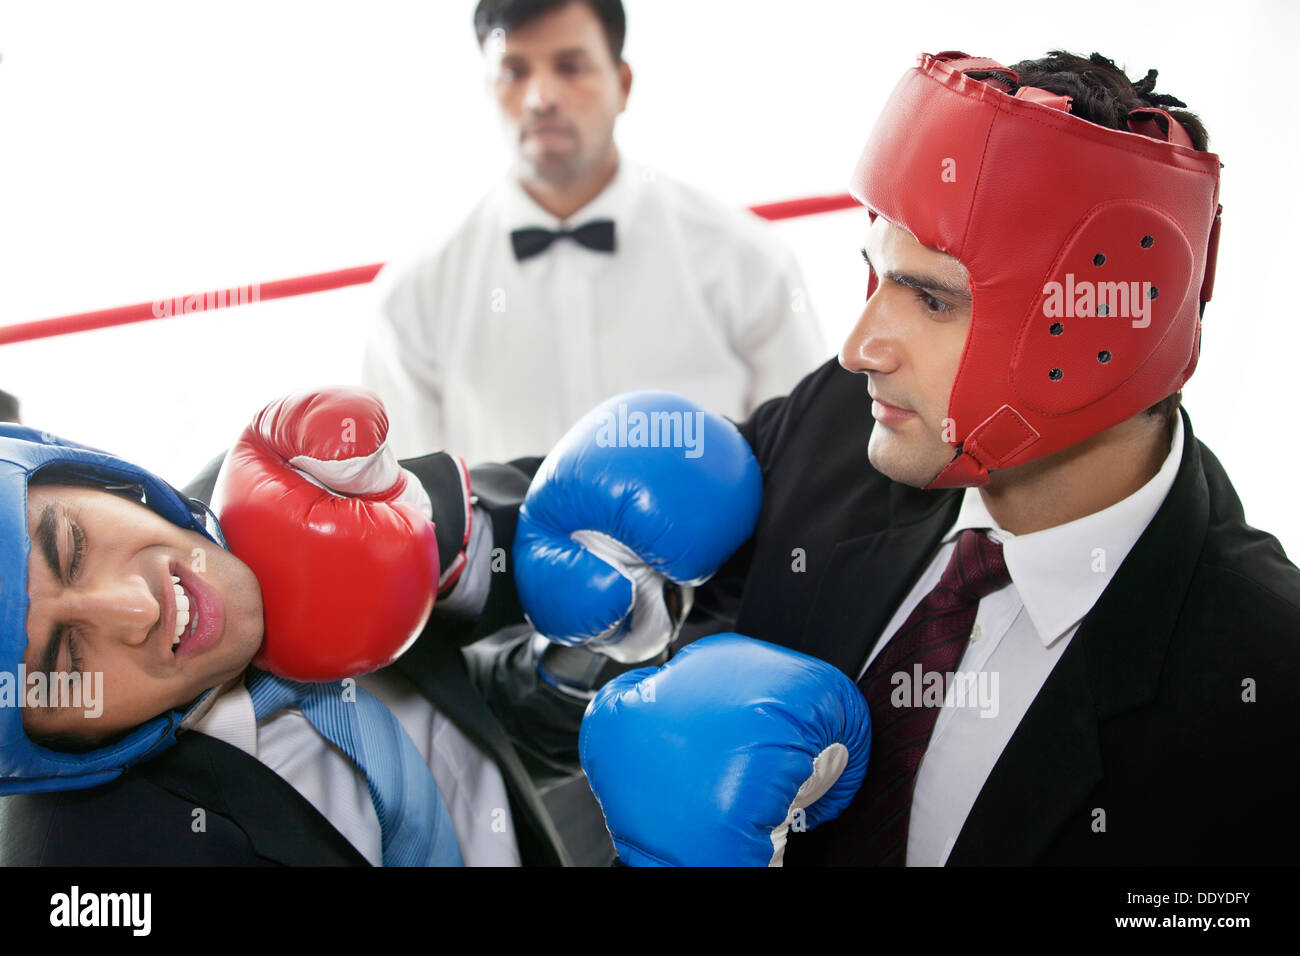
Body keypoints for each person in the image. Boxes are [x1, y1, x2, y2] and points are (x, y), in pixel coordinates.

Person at [444, 51, 1300, 866]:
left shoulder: (1259, 683)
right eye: (878, 276)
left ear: (1101, 331)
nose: (859, 348)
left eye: (931, 298)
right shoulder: (852, 432)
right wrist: (413, 528)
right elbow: (606, 510)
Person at [0, 390, 579, 866]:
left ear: (86, 476)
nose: (138, 609)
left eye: (72, 546)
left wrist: (462, 557)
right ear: (58, 750)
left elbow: (467, 730)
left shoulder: (272, 483)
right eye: (67, 662)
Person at [361, 0, 826, 464]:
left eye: (570, 66)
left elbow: (807, 464)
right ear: (487, 88)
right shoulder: (412, 297)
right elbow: (409, 505)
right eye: (514, 71)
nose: (540, 97)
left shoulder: (748, 260)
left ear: (622, 84)